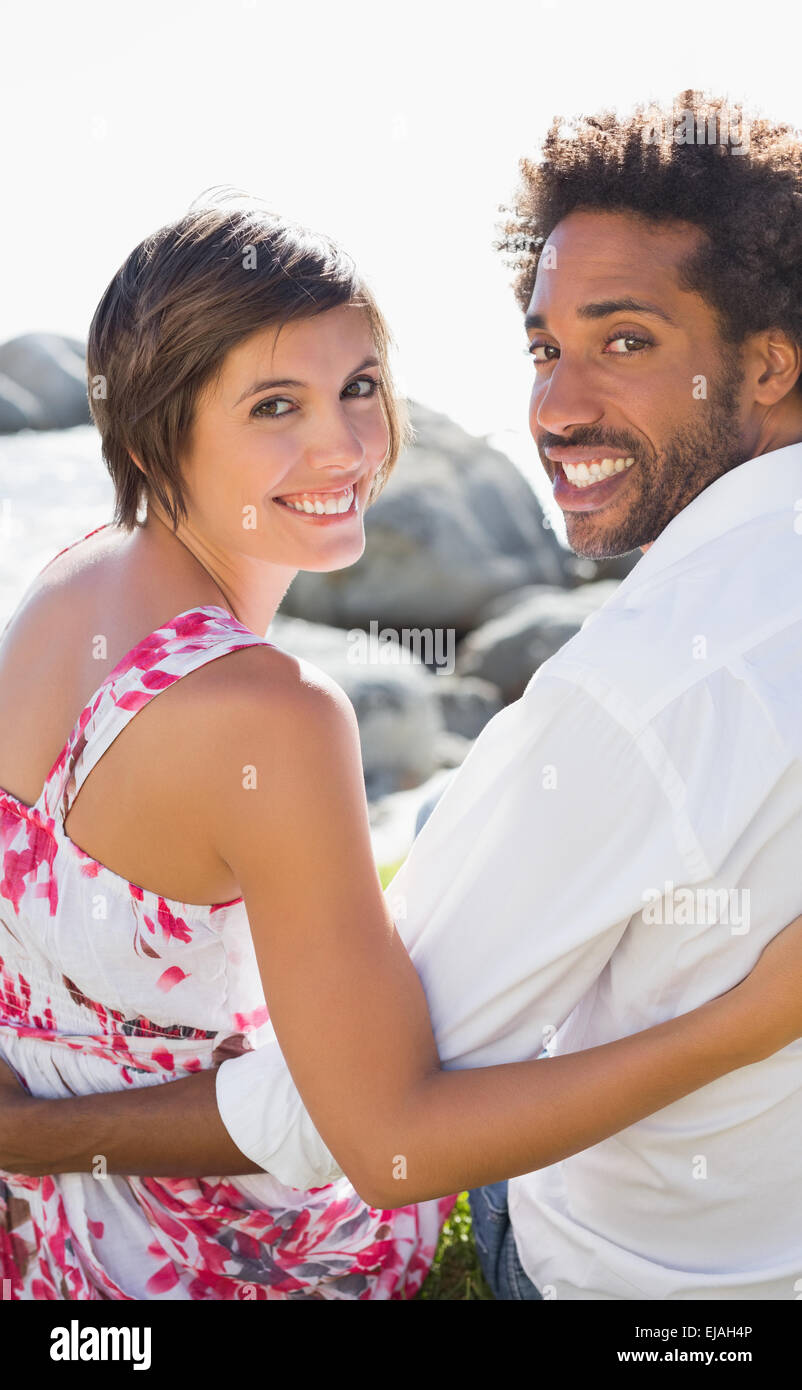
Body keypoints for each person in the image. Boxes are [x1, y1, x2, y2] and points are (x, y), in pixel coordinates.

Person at [1, 172, 801, 1302]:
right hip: (212, 1243)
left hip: (58, 1227)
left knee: (447, 838)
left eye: (360, 386)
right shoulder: (277, 718)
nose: (343, 446)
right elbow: (384, 1147)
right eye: (274, 406)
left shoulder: (69, 583)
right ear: (154, 424)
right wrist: (747, 1023)